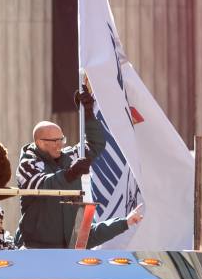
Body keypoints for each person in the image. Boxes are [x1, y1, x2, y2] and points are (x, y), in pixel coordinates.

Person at [16, 85, 142, 248]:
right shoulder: (27, 164)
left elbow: (95, 145)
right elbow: (42, 185)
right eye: (55, 141)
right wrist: (70, 173)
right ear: (39, 143)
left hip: (69, 252)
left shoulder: (68, 157)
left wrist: (88, 114)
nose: (60, 145)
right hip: (35, 251)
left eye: (62, 139)